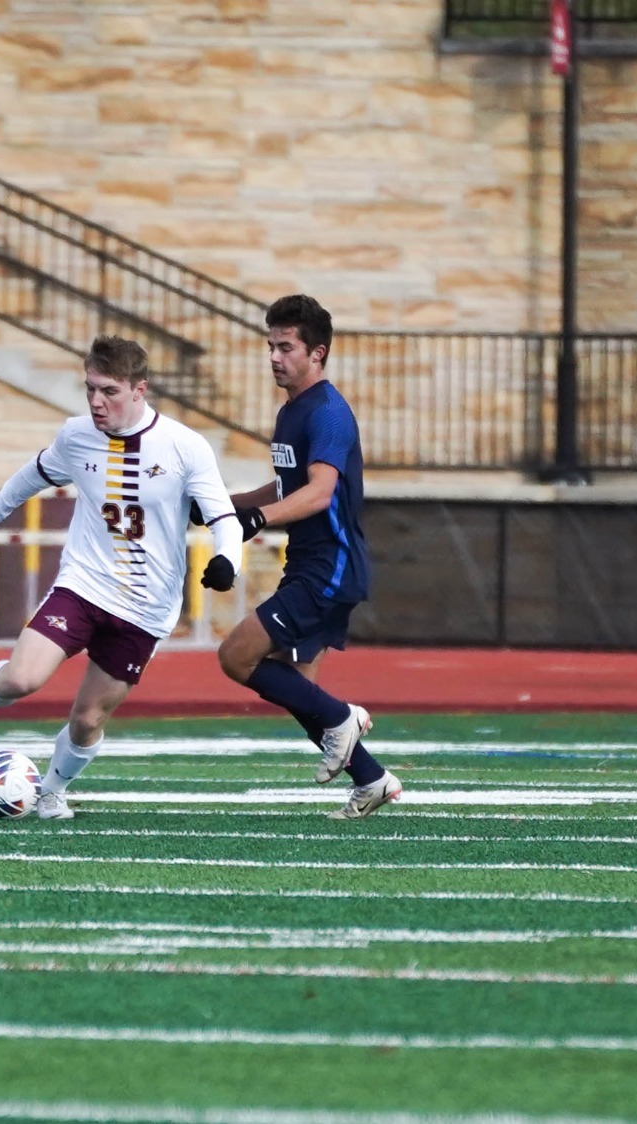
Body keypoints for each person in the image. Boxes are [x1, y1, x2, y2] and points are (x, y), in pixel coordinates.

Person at [0, 335, 245, 821]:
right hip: (83, 585)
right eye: (90, 389)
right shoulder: (76, 435)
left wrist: (228, 560)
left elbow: (224, 517)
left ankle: (53, 790)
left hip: (145, 608)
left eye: (109, 391)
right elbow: (32, 475)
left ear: (140, 389)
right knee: (21, 679)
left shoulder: (185, 446)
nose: (96, 401)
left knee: (88, 719)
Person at [210, 294, 400, 821]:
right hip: (311, 564)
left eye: (286, 347)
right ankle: (371, 779)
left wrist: (257, 519)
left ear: (318, 353)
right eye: (271, 345)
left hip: (329, 568)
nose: (274, 356)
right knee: (296, 686)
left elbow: (318, 493)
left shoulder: (328, 412)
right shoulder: (291, 410)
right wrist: (226, 505)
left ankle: (344, 717)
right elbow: (286, 485)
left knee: (236, 657)